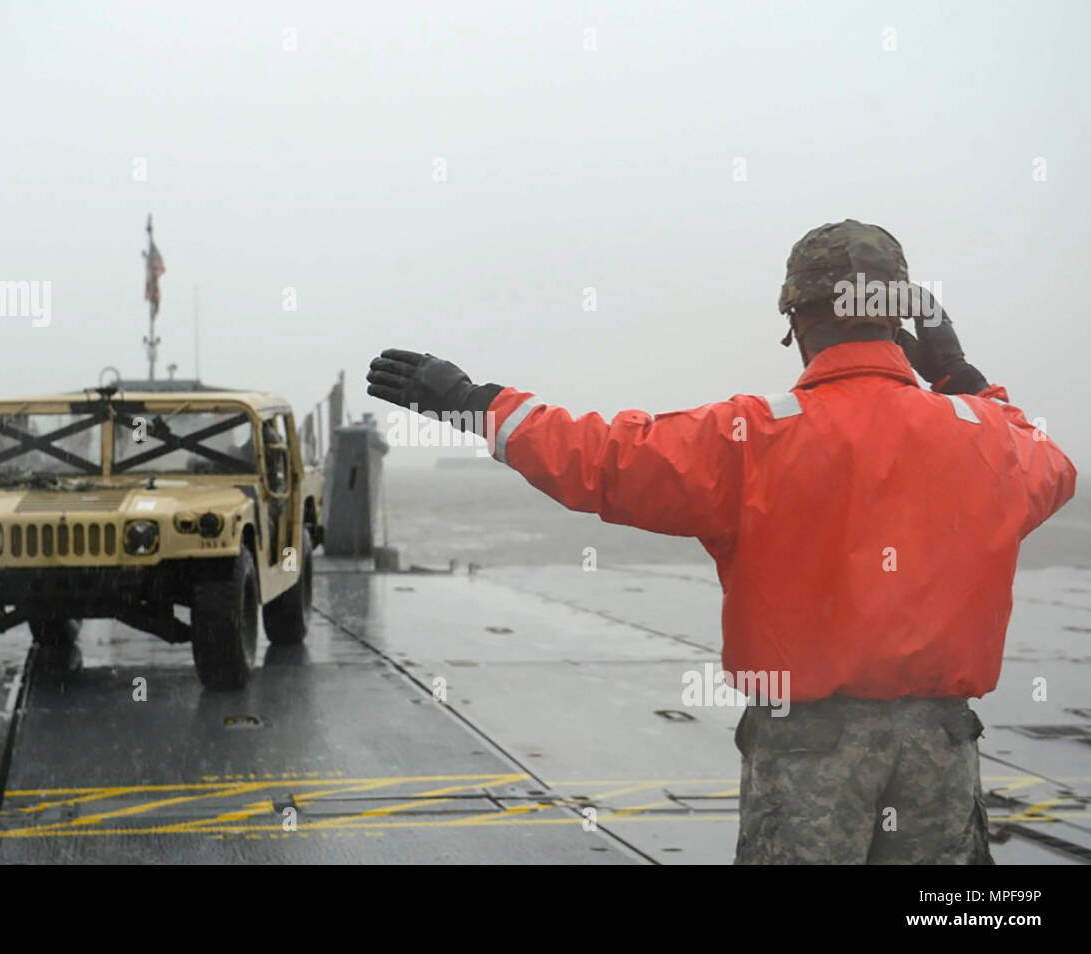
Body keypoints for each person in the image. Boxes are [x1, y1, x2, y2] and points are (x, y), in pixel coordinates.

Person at [364, 219, 1077, 864]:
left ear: (795, 319)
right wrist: (963, 378)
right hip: (941, 751)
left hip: (806, 751)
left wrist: (476, 403)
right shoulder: (987, 438)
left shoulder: (754, 436)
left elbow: (605, 461)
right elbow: (1054, 468)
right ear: (903, 323)